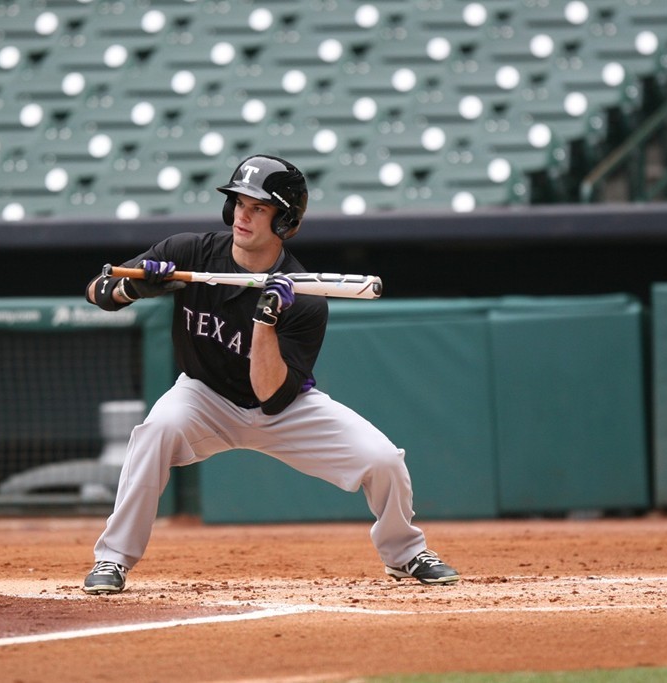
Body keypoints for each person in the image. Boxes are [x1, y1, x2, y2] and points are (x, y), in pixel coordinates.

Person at [82, 154, 459, 594]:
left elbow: (271, 394)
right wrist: (132, 287)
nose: (243, 214)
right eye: (240, 202)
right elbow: (97, 290)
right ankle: (113, 560)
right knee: (155, 432)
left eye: (259, 207)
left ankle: (405, 552)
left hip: (283, 408)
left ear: (285, 222)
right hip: (202, 396)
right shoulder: (188, 252)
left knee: (383, 460)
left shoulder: (306, 298)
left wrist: (266, 320)